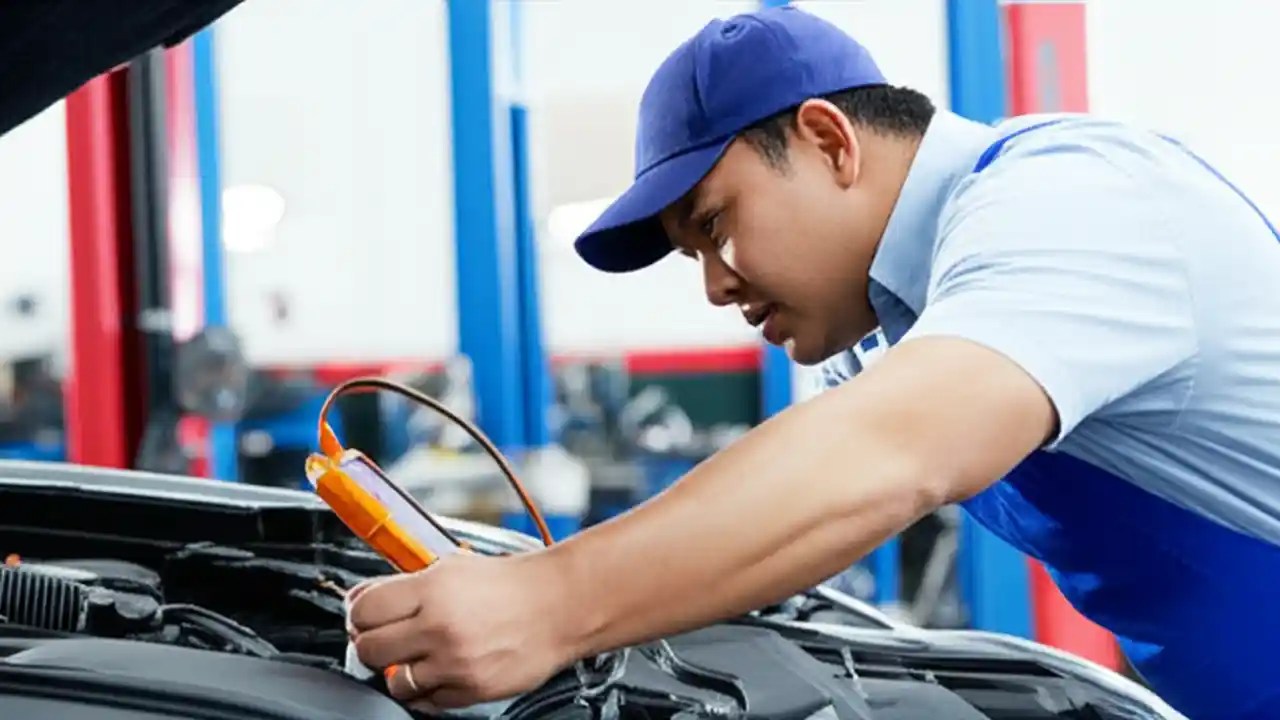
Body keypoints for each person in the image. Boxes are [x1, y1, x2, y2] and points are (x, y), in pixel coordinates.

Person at [346, 7, 1280, 718]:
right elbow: (777, 531)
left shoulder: (1071, 199)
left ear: (830, 142)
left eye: (716, 226)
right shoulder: (890, 327)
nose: (715, 286)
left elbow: (889, 452)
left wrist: (549, 604)